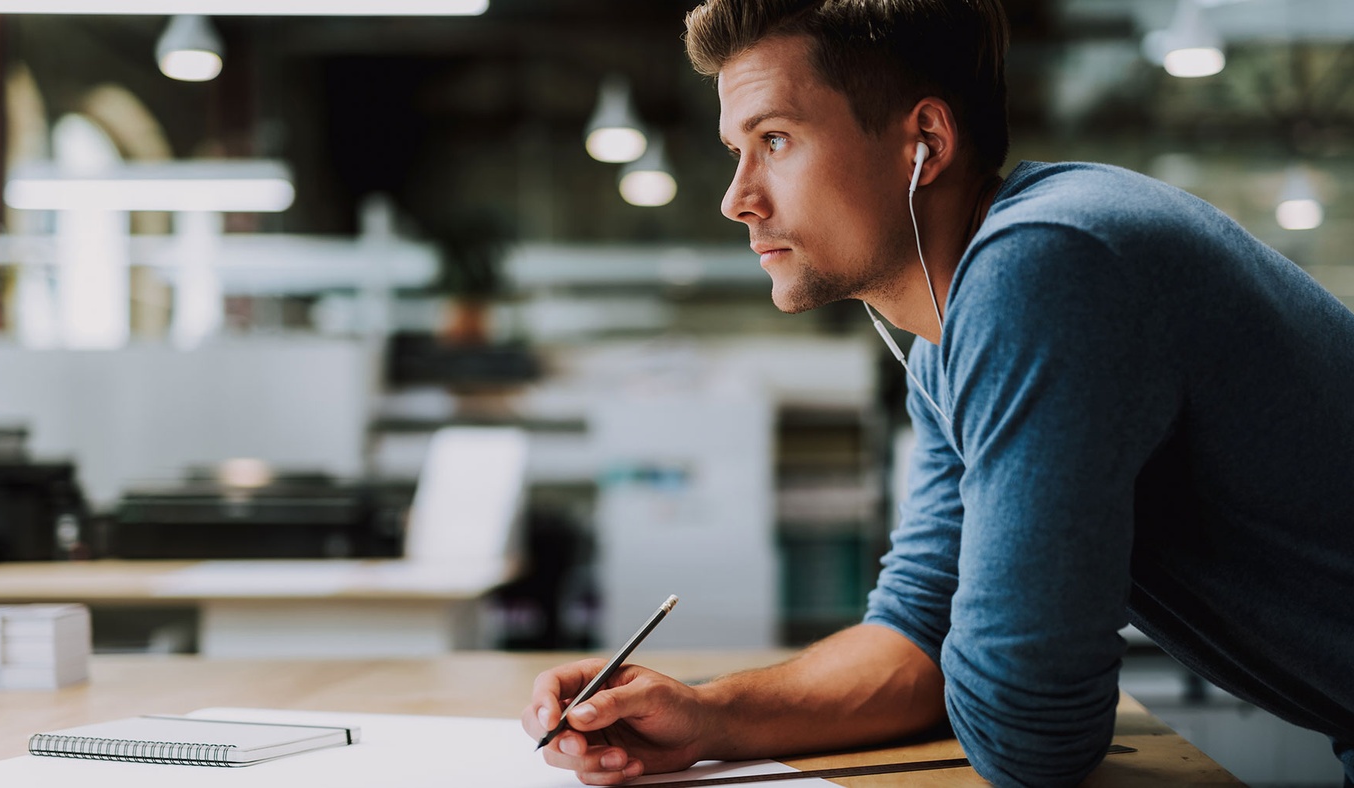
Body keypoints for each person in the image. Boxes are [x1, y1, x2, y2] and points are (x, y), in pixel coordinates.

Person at [521, 1, 1354, 785]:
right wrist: (707, 716)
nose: (737, 198)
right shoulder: (943, 335)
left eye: (774, 140)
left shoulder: (1046, 264)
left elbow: (1030, 731)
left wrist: (982, 648)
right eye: (735, 150)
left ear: (924, 140)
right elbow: (918, 633)